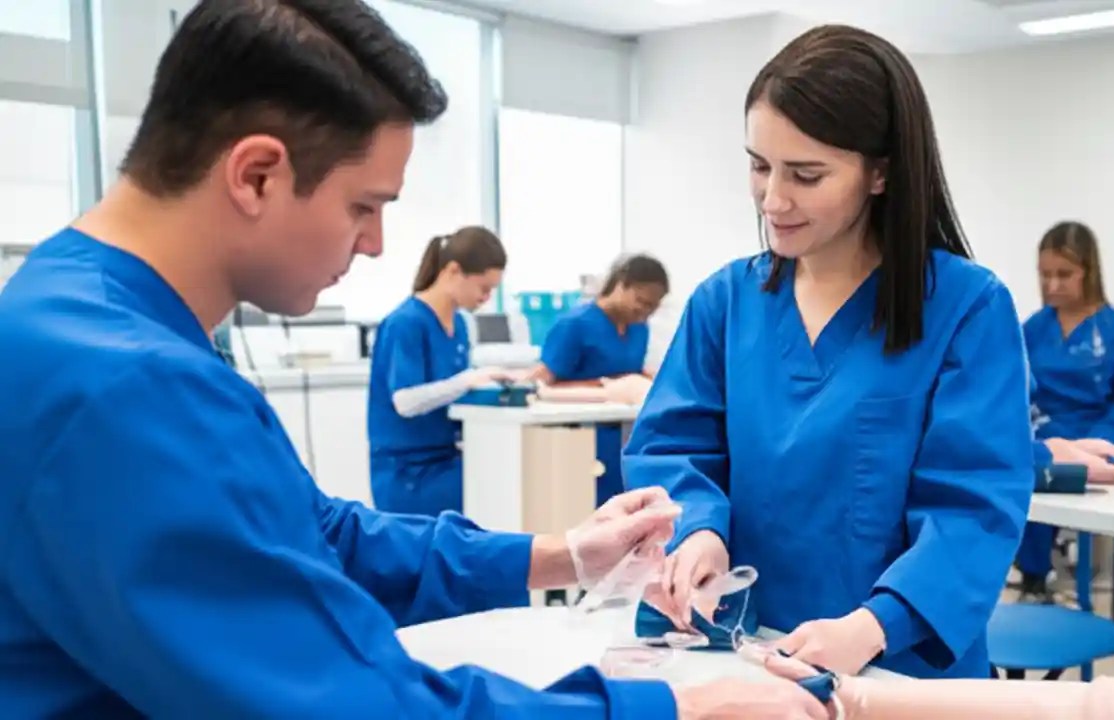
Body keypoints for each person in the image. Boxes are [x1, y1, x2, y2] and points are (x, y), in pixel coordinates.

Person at [0, 2, 826, 718]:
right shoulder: (128, 386)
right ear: (256, 173)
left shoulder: (74, 309)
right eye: (364, 206)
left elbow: (316, 536)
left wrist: (560, 556)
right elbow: (348, 703)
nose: (376, 243)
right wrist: (669, 708)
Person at [623, 24, 1034, 680]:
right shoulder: (725, 302)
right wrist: (698, 529)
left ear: (881, 172)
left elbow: (976, 506)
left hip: (897, 671)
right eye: (759, 166)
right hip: (749, 655)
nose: (773, 199)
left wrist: (875, 626)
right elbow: (672, 447)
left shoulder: (965, 307)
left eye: (806, 175)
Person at [1015, 222, 1114, 608]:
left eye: (1064, 274)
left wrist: (1094, 448)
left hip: (1101, 440)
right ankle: (1033, 578)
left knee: (1110, 490)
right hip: (1043, 438)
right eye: (1045, 275)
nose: (1053, 285)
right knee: (1021, 479)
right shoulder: (1032, 328)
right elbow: (1013, 393)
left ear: (1089, 272)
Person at [367, 226, 513, 515]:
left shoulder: (458, 325)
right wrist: (468, 380)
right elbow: (406, 402)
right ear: (453, 271)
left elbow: (450, 394)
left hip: (448, 459)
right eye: (484, 288)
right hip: (410, 473)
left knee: (511, 474)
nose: (487, 297)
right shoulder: (405, 323)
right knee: (502, 490)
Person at [531, 254, 670, 504]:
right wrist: (606, 386)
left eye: (652, 307)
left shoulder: (639, 328)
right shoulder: (575, 325)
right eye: (640, 301)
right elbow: (542, 385)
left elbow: (630, 371)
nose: (644, 312)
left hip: (625, 438)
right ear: (620, 285)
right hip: (578, 438)